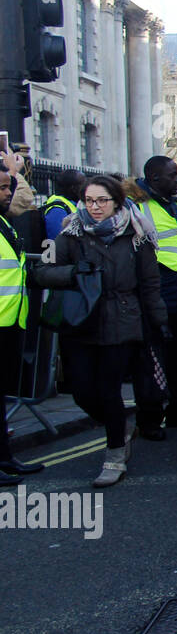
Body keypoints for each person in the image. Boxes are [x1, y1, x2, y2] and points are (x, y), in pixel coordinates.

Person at [32, 175, 167, 487]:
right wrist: (72, 273)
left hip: (122, 320)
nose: (94, 207)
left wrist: (158, 320)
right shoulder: (70, 232)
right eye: (89, 200)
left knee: (109, 391)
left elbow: (149, 282)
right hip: (82, 320)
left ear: (116, 202)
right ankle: (119, 430)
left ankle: (115, 455)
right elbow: (41, 272)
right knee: (82, 392)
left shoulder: (136, 234)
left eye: (102, 200)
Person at [133, 156, 177, 437]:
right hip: (158, 293)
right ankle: (148, 420)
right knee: (153, 361)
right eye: (173, 174)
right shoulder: (137, 208)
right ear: (154, 178)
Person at [0, 168, 42, 486]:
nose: (7, 193)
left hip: (10, 320)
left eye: (7, 187)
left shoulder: (5, 222)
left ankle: (5, 457)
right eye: (1, 188)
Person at [42, 169, 85, 242]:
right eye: (84, 184)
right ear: (73, 188)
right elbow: (58, 239)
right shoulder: (57, 209)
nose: (86, 188)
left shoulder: (72, 204)